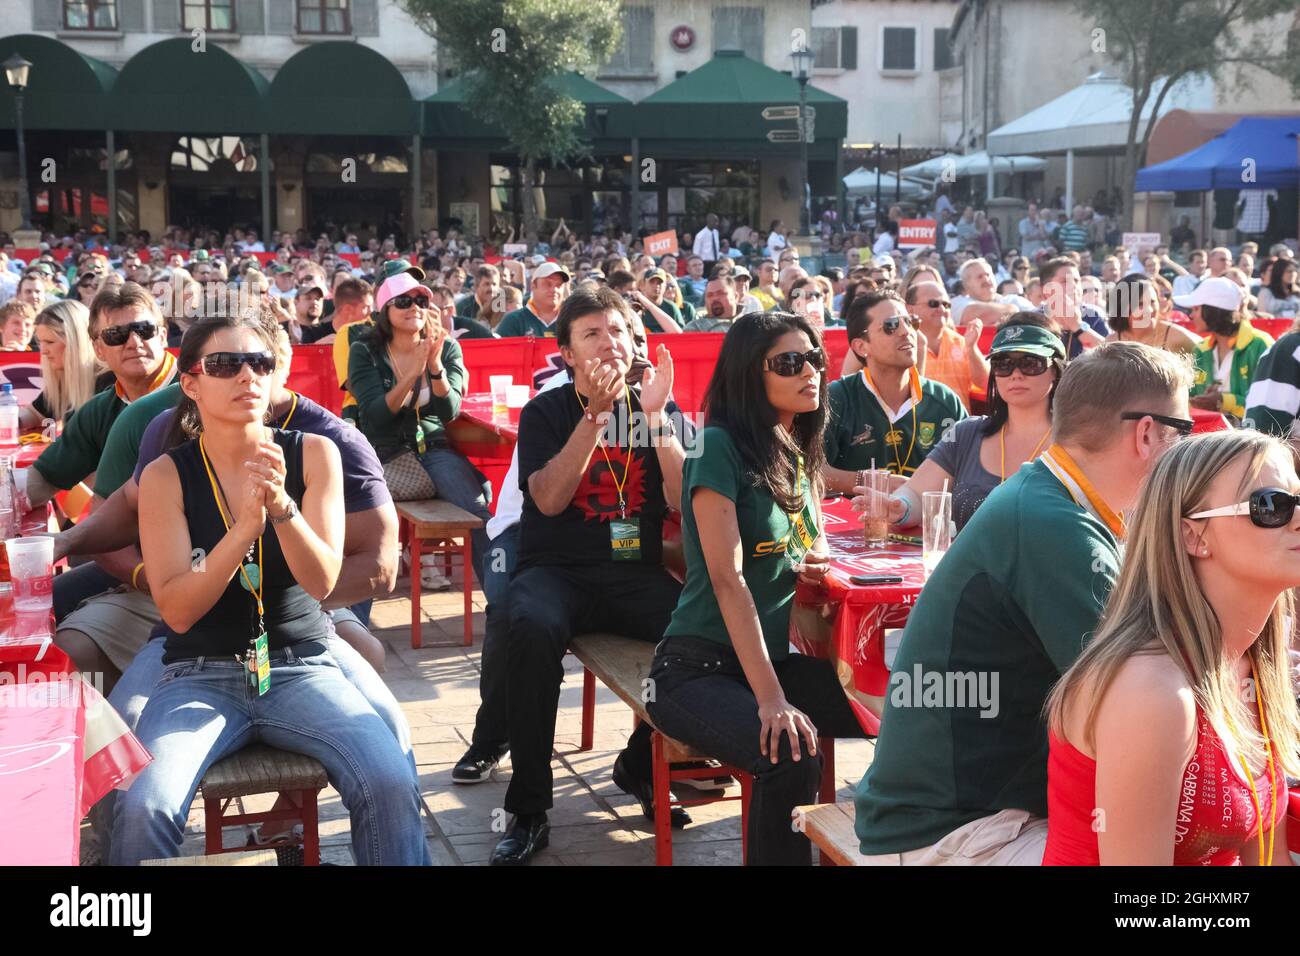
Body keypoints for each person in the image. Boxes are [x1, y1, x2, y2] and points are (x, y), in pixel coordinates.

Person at [855, 342, 1194, 865]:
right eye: (1183, 432)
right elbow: (1139, 709)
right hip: (956, 833)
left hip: (956, 813)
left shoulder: (1051, 496)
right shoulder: (1055, 524)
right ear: (1147, 433)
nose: (1184, 450)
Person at [111, 317, 425, 866]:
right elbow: (178, 611)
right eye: (224, 365)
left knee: (390, 779)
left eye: (259, 362)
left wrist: (282, 509)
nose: (246, 376)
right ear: (191, 383)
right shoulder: (166, 475)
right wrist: (241, 531)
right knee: (144, 805)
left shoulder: (314, 453)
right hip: (199, 672)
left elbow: (323, 581)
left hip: (300, 661)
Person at [645, 311, 867, 866]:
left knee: (898, 704)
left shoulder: (792, 448)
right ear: (750, 374)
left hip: (764, 660)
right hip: (696, 668)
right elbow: (726, 576)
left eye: (814, 358)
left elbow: (794, 547)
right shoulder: (716, 446)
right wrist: (772, 701)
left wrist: (803, 567)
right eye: (789, 363)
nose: (810, 371)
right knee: (791, 753)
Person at [491, 286, 688, 865]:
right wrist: (596, 417)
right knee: (528, 626)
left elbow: (679, 500)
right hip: (557, 569)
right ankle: (527, 809)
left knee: (707, 632)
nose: (610, 344)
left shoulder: (656, 405)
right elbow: (548, 501)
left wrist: (656, 418)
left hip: (635, 571)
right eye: (593, 334)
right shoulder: (545, 411)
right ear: (569, 354)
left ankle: (638, 761)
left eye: (620, 332)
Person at [1044, 429, 1299, 865]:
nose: (1295, 517)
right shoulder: (1152, 692)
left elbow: (1267, 858)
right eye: (1271, 506)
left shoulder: (1252, 664)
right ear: (1193, 537)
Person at [349, 271, 492, 585]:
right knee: (360, 526)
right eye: (403, 301)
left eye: (422, 300)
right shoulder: (365, 351)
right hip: (385, 452)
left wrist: (435, 366)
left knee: (479, 513)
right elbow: (375, 417)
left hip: (433, 446)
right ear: (385, 310)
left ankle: (504, 600)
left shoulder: (447, 347)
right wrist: (410, 374)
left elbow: (449, 411)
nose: (414, 307)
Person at [866, 316, 1063, 534]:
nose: (1016, 374)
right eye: (1003, 364)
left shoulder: (1078, 441)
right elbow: (916, 493)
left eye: (1030, 363)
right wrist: (900, 507)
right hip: (968, 567)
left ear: (1054, 369)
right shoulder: (966, 433)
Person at [19, 284, 179, 510]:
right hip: (121, 536)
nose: (134, 342)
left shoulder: (200, 390)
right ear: (98, 349)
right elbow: (43, 479)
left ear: (162, 336)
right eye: (116, 335)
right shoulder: (100, 410)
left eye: (144, 329)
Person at [823, 290, 967, 492]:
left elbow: (969, 471)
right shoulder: (836, 399)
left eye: (910, 322)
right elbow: (807, 471)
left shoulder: (945, 401)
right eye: (891, 325)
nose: (906, 331)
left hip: (926, 520)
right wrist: (869, 482)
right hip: (858, 521)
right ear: (862, 347)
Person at [1180, 276, 1272, 420]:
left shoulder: (1261, 345)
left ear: (1213, 311)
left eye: (1196, 309)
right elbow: (1188, 398)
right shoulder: (1200, 350)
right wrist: (1197, 402)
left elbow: (1268, 405)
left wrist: (1223, 401)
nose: (1191, 315)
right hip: (1208, 438)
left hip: (1251, 438)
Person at [21, 299, 105, 431]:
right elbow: (35, 414)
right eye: (41, 342)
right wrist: (12, 420)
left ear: (75, 341)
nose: (43, 351)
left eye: (49, 342)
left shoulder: (108, 381)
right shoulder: (64, 377)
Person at [907, 279, 988, 411]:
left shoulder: (961, 342)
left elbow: (985, 384)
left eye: (946, 304)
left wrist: (971, 349)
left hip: (959, 428)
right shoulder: (900, 344)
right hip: (916, 428)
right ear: (909, 309)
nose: (942, 309)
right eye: (933, 303)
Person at [1105, 273, 1200, 356]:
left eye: (1152, 302)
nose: (1149, 310)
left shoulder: (1177, 337)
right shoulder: (1111, 343)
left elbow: (1208, 354)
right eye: (1140, 304)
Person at [1039, 256, 1110, 360]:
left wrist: (1078, 326)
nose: (1074, 286)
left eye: (1076, 281)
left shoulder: (1092, 315)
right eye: (1065, 281)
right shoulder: (1032, 319)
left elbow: (1111, 354)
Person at [496, 262, 569, 337]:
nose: (554, 289)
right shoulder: (514, 320)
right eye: (548, 284)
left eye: (559, 285)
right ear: (533, 286)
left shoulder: (572, 320)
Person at [949, 259, 1028, 327]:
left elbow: (1035, 316)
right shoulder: (956, 303)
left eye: (988, 275)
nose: (986, 279)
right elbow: (974, 314)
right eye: (979, 276)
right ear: (966, 285)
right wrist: (1013, 309)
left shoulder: (1012, 299)